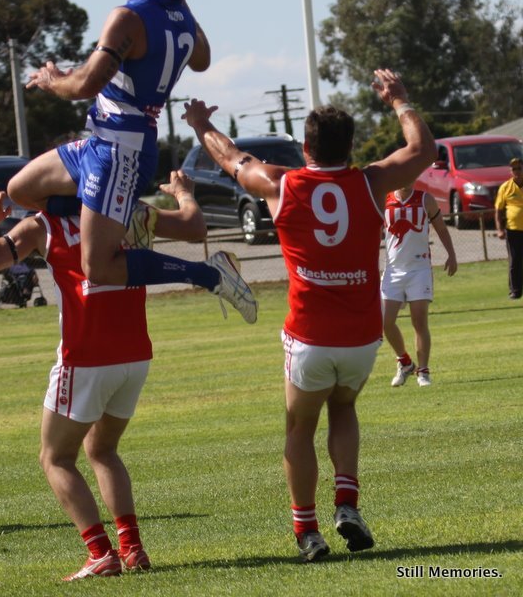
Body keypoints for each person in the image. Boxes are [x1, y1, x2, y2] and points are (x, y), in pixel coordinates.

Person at [182, 69, 437, 562]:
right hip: (362, 337)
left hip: (310, 337)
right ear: (350, 146)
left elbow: (232, 158)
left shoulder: (282, 184)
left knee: (299, 430)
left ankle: (308, 531)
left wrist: (198, 124)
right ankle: (347, 504)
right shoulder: (370, 181)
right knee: (344, 409)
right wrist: (400, 100)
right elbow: (423, 151)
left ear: (305, 147)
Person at [6, 0, 256, 324]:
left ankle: (208, 274)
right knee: (20, 190)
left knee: (98, 267)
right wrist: (182, 2)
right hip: (101, 142)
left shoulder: (127, 17)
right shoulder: (181, 19)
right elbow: (202, 59)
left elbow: (88, 85)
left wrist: (53, 80)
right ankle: (127, 217)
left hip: (121, 150)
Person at [0, 172, 206, 580]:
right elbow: (194, 226)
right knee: (103, 450)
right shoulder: (130, 213)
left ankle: (100, 552)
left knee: (55, 457)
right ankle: (131, 547)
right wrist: (184, 192)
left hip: (86, 356)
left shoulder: (44, 225)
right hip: (135, 354)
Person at [381, 182, 458, 388]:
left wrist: (451, 254)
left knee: (419, 321)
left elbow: (441, 228)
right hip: (393, 270)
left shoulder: (426, 199)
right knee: (384, 321)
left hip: (420, 269)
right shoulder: (385, 200)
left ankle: (423, 371)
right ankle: (405, 362)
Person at [494, 157, 523, 299]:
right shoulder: (505, 187)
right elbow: (498, 210)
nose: (517, 171)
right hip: (513, 230)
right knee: (515, 261)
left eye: (519, 168)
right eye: (514, 169)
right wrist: (499, 229)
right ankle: (515, 290)